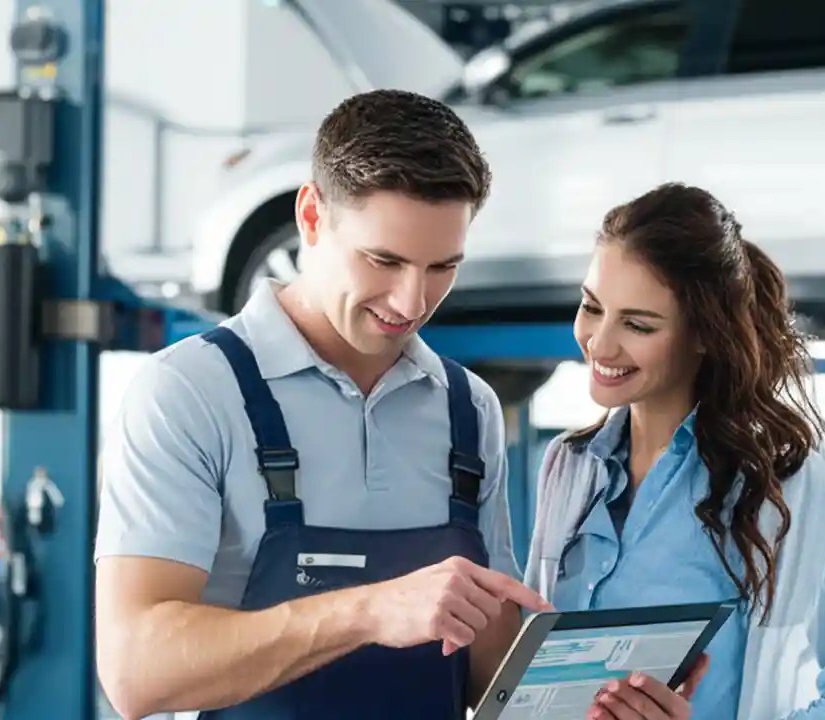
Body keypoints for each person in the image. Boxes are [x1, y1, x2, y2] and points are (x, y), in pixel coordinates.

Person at [93, 89, 551, 720]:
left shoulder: (469, 409)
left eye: (442, 267)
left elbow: (491, 674)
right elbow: (137, 673)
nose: (413, 301)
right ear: (311, 216)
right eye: (383, 260)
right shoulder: (189, 391)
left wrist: (598, 692)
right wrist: (368, 610)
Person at [524, 183, 825, 720]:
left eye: (637, 324)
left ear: (703, 334)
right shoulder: (568, 464)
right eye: (592, 307)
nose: (599, 344)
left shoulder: (781, 481)